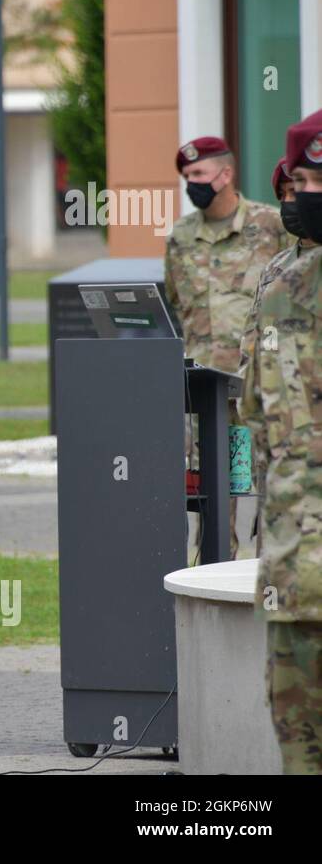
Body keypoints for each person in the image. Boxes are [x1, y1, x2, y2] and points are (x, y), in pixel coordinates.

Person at [238, 108, 322, 773]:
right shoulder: (281, 292)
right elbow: (262, 429)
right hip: (298, 588)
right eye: (299, 180)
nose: (306, 195)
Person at [165, 136, 290, 562]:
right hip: (202, 390)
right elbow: (176, 303)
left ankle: (267, 574)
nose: (191, 183)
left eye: (199, 174)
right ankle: (210, 573)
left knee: (261, 480)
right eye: (186, 176)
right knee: (208, 490)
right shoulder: (181, 236)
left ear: (226, 175)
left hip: (254, 384)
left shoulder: (271, 225)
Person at [239, 156, 317, 558]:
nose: (291, 203)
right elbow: (251, 348)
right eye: (284, 194)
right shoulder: (275, 270)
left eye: (298, 192)